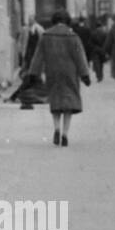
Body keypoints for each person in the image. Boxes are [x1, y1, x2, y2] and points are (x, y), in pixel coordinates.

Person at [27, 9, 91, 146]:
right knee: (69, 102)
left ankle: (56, 128)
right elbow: (80, 58)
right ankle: (65, 134)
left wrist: (33, 73)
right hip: (70, 73)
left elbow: (38, 57)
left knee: (55, 101)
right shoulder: (73, 36)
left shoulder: (46, 35)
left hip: (52, 72)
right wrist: (85, 75)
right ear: (67, 21)